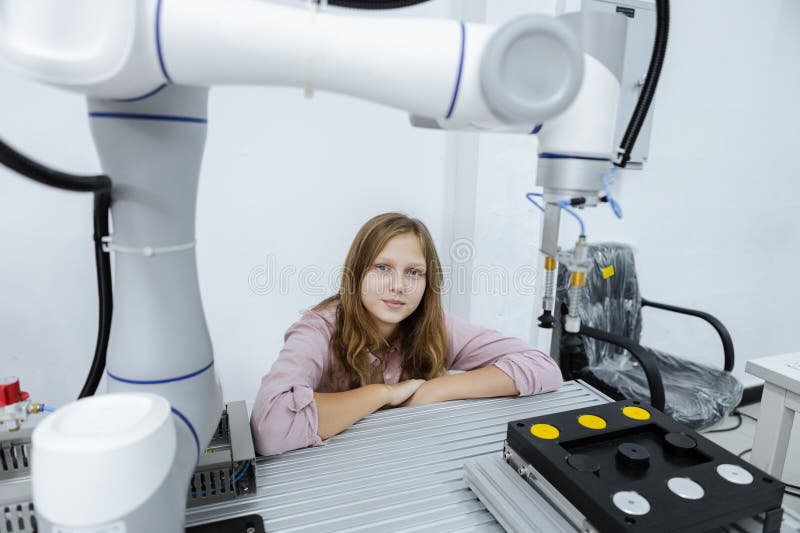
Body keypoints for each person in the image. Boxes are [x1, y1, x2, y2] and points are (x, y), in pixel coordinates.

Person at [251, 213, 562, 456]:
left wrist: (435, 390)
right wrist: (383, 395)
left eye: (414, 272)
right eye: (383, 268)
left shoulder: (434, 326)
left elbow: (543, 367)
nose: (398, 285)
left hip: (407, 463)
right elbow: (270, 428)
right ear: (356, 273)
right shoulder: (318, 330)